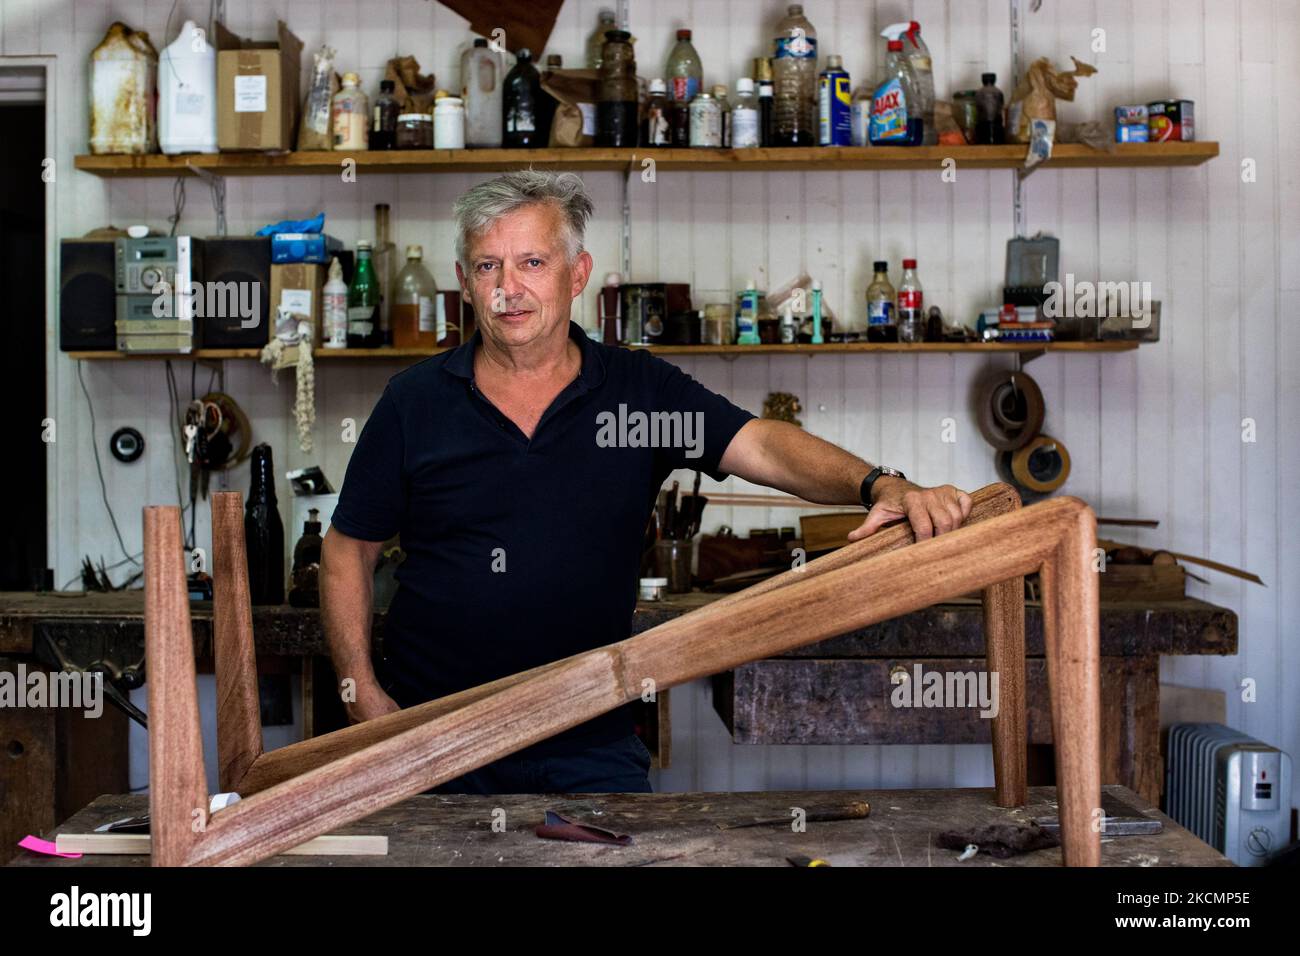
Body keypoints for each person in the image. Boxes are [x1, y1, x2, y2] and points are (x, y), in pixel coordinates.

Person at [321, 170, 972, 794]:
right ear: (464, 281)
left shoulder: (639, 395)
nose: (508, 288)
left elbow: (764, 447)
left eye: (532, 263)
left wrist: (880, 485)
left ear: (577, 274)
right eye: (489, 266)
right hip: (435, 740)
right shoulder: (414, 403)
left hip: (587, 739)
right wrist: (362, 694)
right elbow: (349, 548)